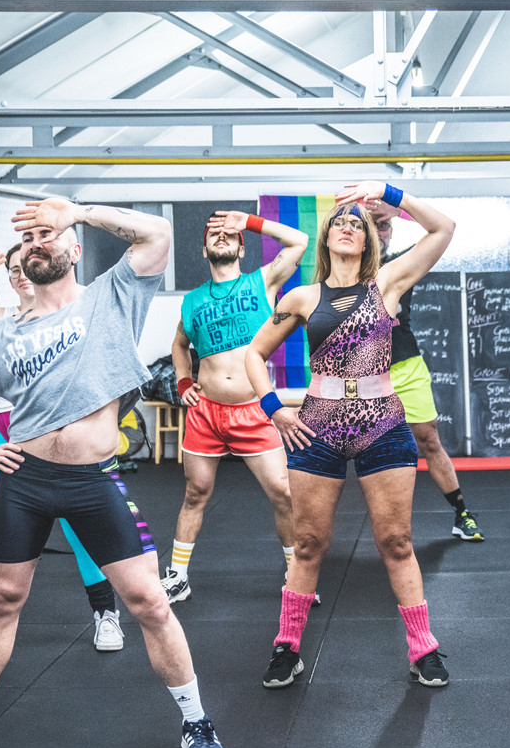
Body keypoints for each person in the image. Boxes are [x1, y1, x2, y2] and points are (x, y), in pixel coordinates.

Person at [0, 198, 224, 748]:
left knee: (150, 602)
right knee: (1, 602)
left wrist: (77, 210)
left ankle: (196, 721)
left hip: (93, 480)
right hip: (24, 481)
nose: (39, 241)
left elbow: (158, 233)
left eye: (49, 233)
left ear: (75, 247)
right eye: (29, 237)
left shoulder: (112, 295)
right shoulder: (0, 332)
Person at [244, 183, 455, 689]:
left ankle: (423, 647)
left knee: (396, 541)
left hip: (382, 421)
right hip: (318, 423)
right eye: (338, 221)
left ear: (368, 241)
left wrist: (390, 193)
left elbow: (443, 228)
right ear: (325, 238)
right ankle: (287, 646)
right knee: (308, 543)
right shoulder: (302, 297)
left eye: (356, 224)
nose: (346, 226)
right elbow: (254, 354)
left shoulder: (387, 284)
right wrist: (274, 409)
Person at [0, 244, 123, 651]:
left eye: (25, 267)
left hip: (71, 443)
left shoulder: (78, 310)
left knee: (83, 531)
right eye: (12, 270)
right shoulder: (0, 319)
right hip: (10, 439)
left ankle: (106, 613)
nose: (21, 275)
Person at [160, 210, 308, 604]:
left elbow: (299, 241)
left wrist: (250, 222)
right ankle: (178, 577)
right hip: (206, 412)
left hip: (253, 410)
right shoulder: (192, 300)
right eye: (213, 233)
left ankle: (296, 575)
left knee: (283, 493)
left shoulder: (263, 281)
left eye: (229, 234)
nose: (221, 236)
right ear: (203, 249)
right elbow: (179, 345)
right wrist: (183, 381)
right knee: (196, 493)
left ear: (242, 247)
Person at [368, 201, 483, 541]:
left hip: (406, 366)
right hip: (363, 374)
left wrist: (397, 209)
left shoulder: (401, 266)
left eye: (385, 227)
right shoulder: (341, 272)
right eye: (372, 225)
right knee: (372, 451)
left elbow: (439, 229)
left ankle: (461, 513)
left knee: (429, 440)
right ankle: (384, 526)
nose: (380, 232)